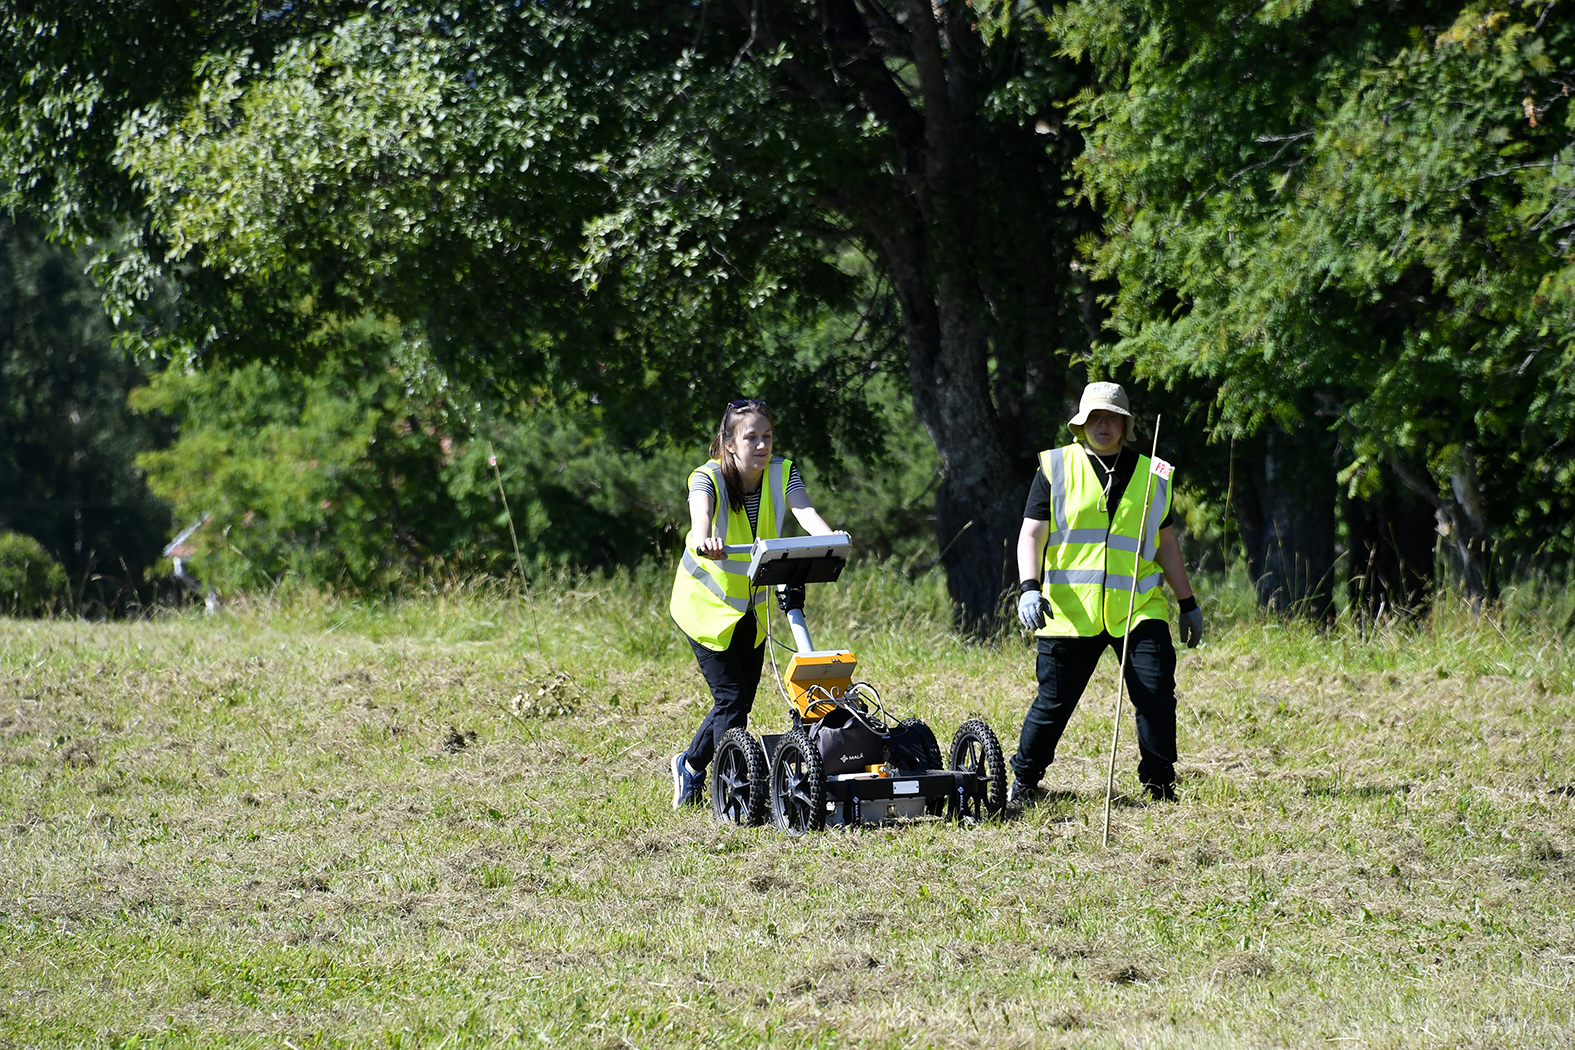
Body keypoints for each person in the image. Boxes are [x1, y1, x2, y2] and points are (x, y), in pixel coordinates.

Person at [1010, 381, 1203, 805]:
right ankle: (1024, 782)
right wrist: (1028, 588)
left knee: (1154, 695)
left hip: (1138, 608)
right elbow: (1032, 534)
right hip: (1069, 610)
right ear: (1081, 424)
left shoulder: (1156, 475)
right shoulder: (1054, 467)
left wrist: (1187, 603)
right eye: (1095, 417)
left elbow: (1166, 543)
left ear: (1126, 424)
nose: (1103, 424)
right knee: (1053, 703)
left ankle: (1159, 785)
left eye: (1111, 417)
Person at [668, 398, 839, 808]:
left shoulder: (782, 472)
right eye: (751, 438)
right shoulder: (706, 477)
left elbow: (805, 510)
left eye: (767, 436)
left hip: (751, 607)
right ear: (728, 443)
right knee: (731, 701)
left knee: (740, 700)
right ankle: (732, 794)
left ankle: (689, 767)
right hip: (706, 608)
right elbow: (699, 516)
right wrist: (704, 537)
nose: (762, 445)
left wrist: (829, 538)